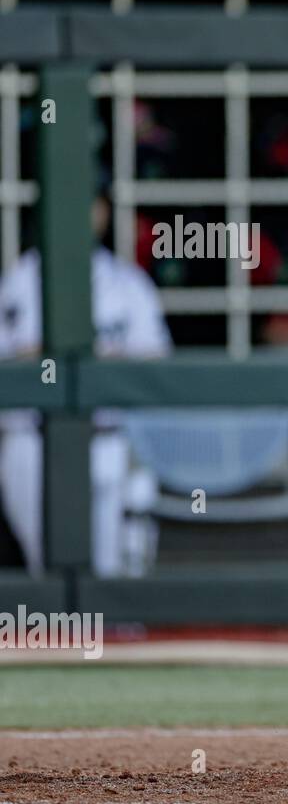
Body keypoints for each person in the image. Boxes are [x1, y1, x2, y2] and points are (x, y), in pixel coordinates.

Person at [0, 193, 172, 577]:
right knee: (50, 575)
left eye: (93, 203)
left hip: (113, 438)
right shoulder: (21, 278)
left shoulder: (126, 282)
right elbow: (10, 361)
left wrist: (84, 356)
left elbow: (156, 361)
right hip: (35, 440)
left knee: (120, 578)